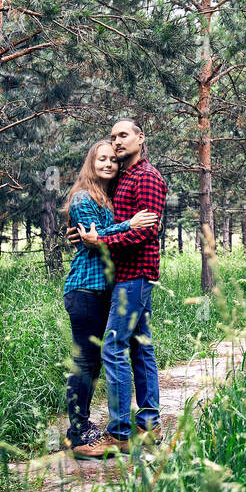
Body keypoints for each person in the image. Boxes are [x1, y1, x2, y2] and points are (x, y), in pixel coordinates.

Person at [70, 118, 167, 459]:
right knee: (140, 346)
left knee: (112, 348)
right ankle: (149, 424)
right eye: (113, 137)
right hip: (120, 276)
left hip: (135, 275)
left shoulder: (149, 177)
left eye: (124, 135)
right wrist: (83, 237)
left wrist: (102, 239)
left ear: (141, 138)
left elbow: (146, 231)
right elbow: (101, 220)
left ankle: (119, 432)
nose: (118, 142)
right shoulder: (123, 178)